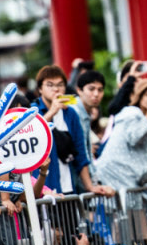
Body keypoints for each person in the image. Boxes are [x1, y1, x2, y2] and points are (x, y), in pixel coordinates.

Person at [33, 65, 112, 198]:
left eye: (60, 84)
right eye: (50, 85)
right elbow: (32, 134)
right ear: (40, 88)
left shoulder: (70, 114)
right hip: (43, 189)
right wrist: (52, 111)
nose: (56, 89)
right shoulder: (33, 111)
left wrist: (89, 186)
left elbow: (80, 153)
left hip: (68, 186)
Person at [94, 78, 147, 193]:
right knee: (129, 210)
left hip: (125, 177)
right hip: (115, 175)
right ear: (139, 97)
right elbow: (134, 138)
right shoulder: (131, 113)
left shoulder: (145, 118)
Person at [74, 70, 106, 164]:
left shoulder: (85, 111)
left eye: (100, 90)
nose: (96, 94)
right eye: (91, 89)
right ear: (79, 90)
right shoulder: (74, 111)